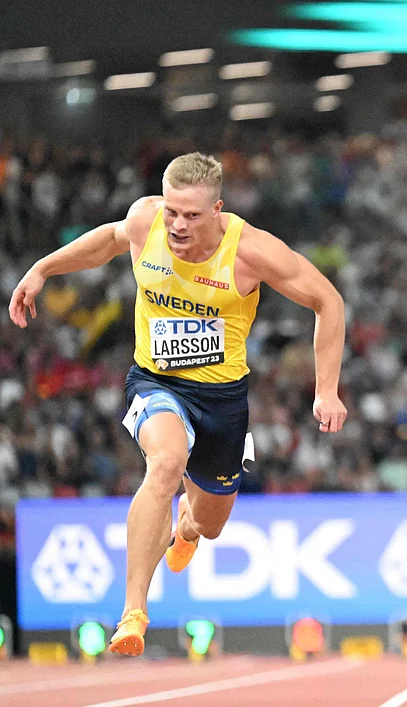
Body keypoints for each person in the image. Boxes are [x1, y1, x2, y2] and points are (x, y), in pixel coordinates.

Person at [8, 152, 347, 656]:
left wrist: (326, 388)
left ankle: (186, 524)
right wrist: (44, 268)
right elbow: (107, 241)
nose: (177, 225)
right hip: (155, 382)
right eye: (172, 211)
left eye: (191, 215)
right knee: (165, 462)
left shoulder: (249, 252)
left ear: (218, 209)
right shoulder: (145, 221)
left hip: (222, 398)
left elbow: (328, 301)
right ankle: (133, 612)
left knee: (210, 524)